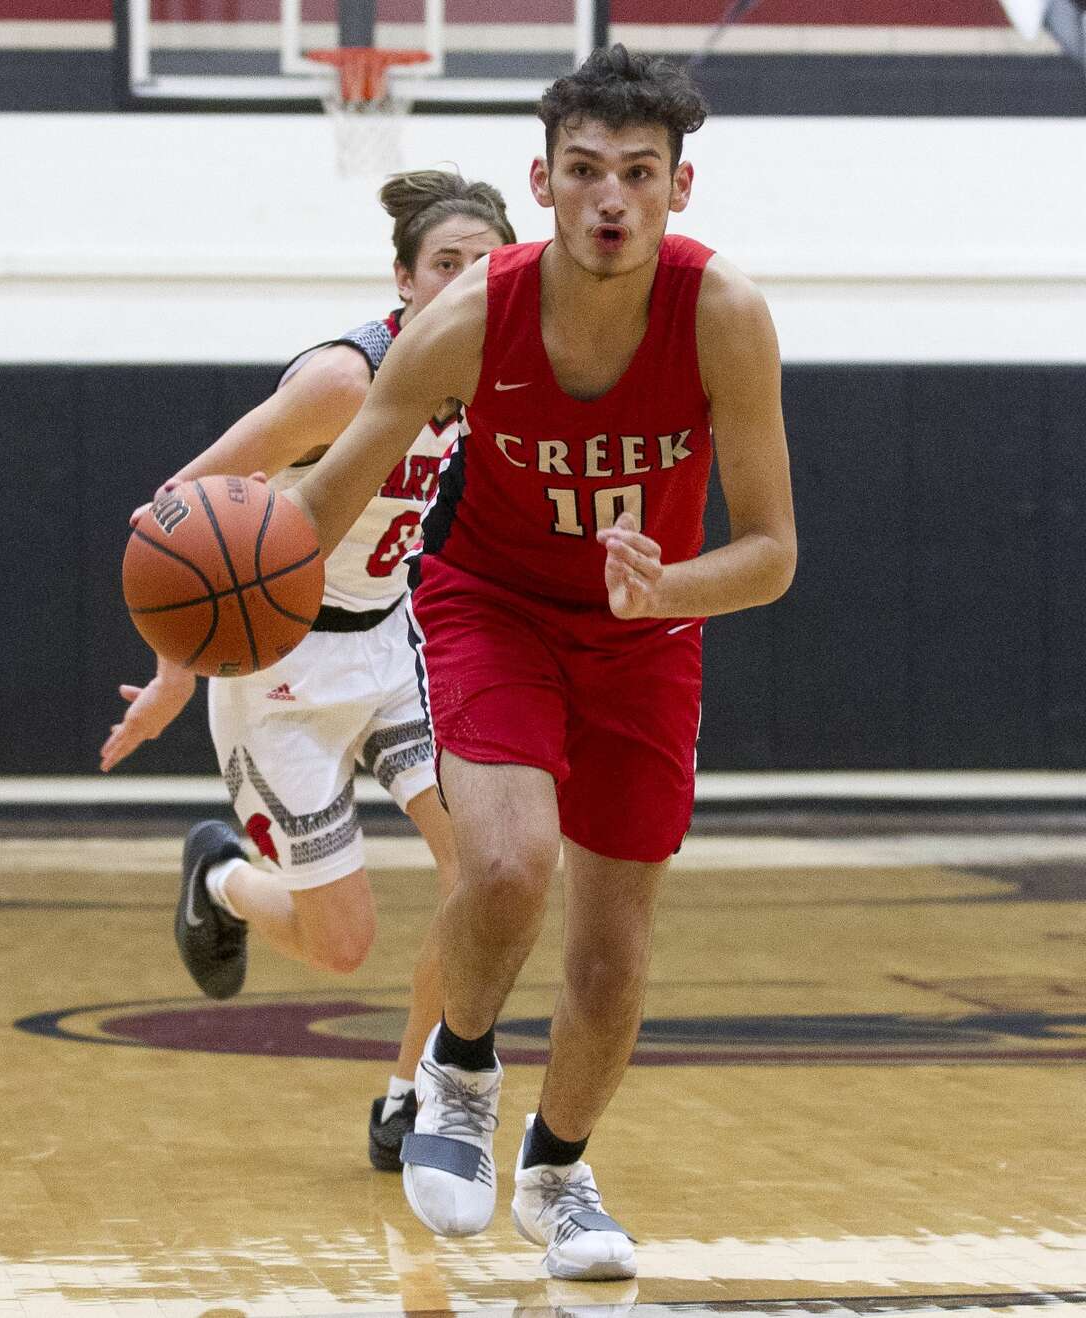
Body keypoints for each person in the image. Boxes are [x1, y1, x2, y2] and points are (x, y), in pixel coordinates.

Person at [283, 46, 797, 1280]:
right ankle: (458, 1070)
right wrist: (204, 597)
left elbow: (773, 551)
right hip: (492, 603)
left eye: (638, 172)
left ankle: (560, 1171)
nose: (610, 197)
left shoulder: (723, 314)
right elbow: (324, 499)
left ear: (680, 188)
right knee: (506, 862)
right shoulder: (469, 317)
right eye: (584, 171)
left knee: (612, 954)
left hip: (649, 630)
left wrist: (671, 584)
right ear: (544, 181)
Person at [99, 169, 517, 1172]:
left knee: (486, 879)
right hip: (276, 672)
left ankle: (410, 1091)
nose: (465, 284)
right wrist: (174, 672)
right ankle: (222, 877)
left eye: (486, 268)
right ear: (405, 282)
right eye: (445, 265)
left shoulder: (486, 380)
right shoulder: (342, 382)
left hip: (389, 649)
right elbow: (177, 510)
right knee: (344, 946)